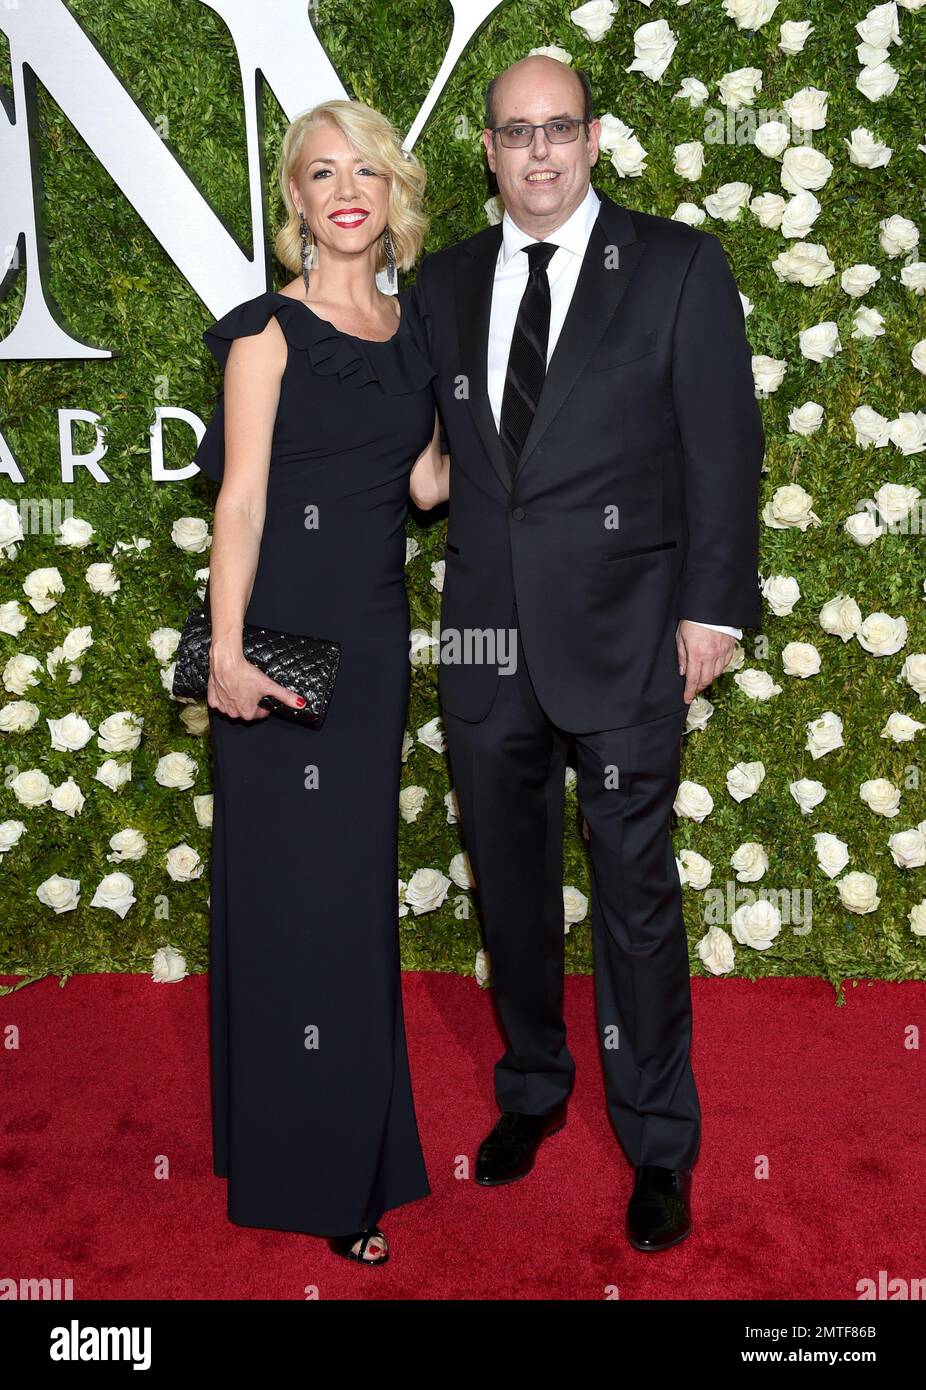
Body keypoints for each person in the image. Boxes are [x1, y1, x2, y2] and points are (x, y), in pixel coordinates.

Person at [407, 55, 763, 1252]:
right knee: (506, 889)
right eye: (517, 133)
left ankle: (659, 1142)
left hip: (625, 639)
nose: (540, 153)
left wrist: (710, 613)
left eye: (559, 128)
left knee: (636, 901)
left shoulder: (672, 265)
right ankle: (530, 1089)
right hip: (483, 638)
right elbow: (418, 456)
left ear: (594, 137)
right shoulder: (444, 281)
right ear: (490, 149)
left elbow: (723, 447)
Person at [194, 98, 442, 1265]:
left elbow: (432, 486)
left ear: (391, 193)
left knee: (346, 905)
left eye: (366, 169)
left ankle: (350, 1148)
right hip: (279, 650)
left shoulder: (413, 328)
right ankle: (320, 1173)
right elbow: (239, 501)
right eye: (319, 171)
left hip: (375, 647)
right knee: (292, 903)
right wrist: (228, 651)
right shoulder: (264, 334)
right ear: (293, 200)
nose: (345, 188)